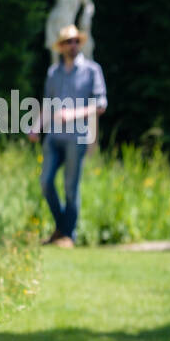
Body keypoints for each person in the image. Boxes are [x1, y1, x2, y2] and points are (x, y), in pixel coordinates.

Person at [29, 24, 107, 248]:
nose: (72, 45)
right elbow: (47, 103)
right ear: (61, 47)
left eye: (75, 41)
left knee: (71, 188)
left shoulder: (92, 70)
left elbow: (101, 104)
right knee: (45, 182)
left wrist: (74, 113)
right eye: (68, 42)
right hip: (54, 137)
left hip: (77, 137)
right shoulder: (53, 73)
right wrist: (36, 126)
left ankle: (67, 236)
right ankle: (61, 228)